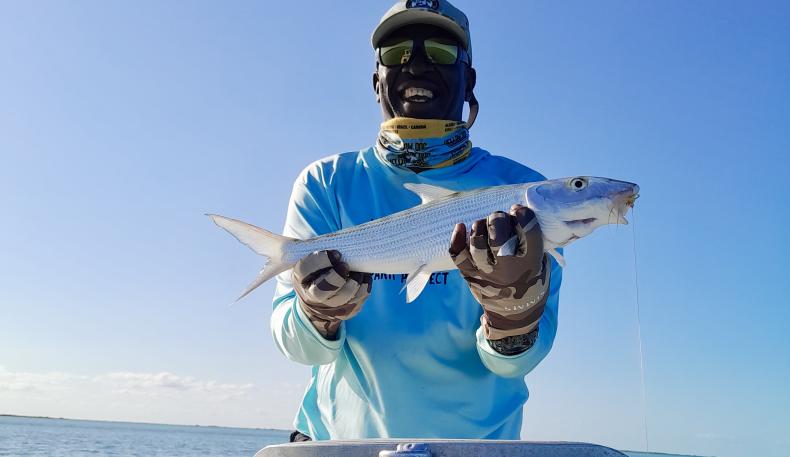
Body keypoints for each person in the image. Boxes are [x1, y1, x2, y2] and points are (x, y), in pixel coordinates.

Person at [271, 0, 562, 442]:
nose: (418, 65)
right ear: (376, 82)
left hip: (476, 451)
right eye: (397, 53)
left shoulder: (524, 192)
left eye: (442, 53)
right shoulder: (326, 182)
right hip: (336, 446)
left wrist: (513, 313)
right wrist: (318, 313)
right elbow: (298, 347)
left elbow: (515, 363)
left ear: (470, 81)